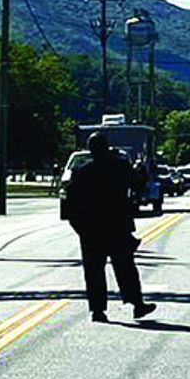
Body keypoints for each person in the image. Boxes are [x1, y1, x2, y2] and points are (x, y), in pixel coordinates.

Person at [64, 133, 156, 323]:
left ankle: (98, 310)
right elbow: (138, 185)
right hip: (117, 224)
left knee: (94, 270)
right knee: (125, 267)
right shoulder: (120, 166)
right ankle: (137, 303)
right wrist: (141, 171)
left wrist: (80, 227)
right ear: (107, 147)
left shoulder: (83, 171)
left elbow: (70, 202)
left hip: (91, 228)